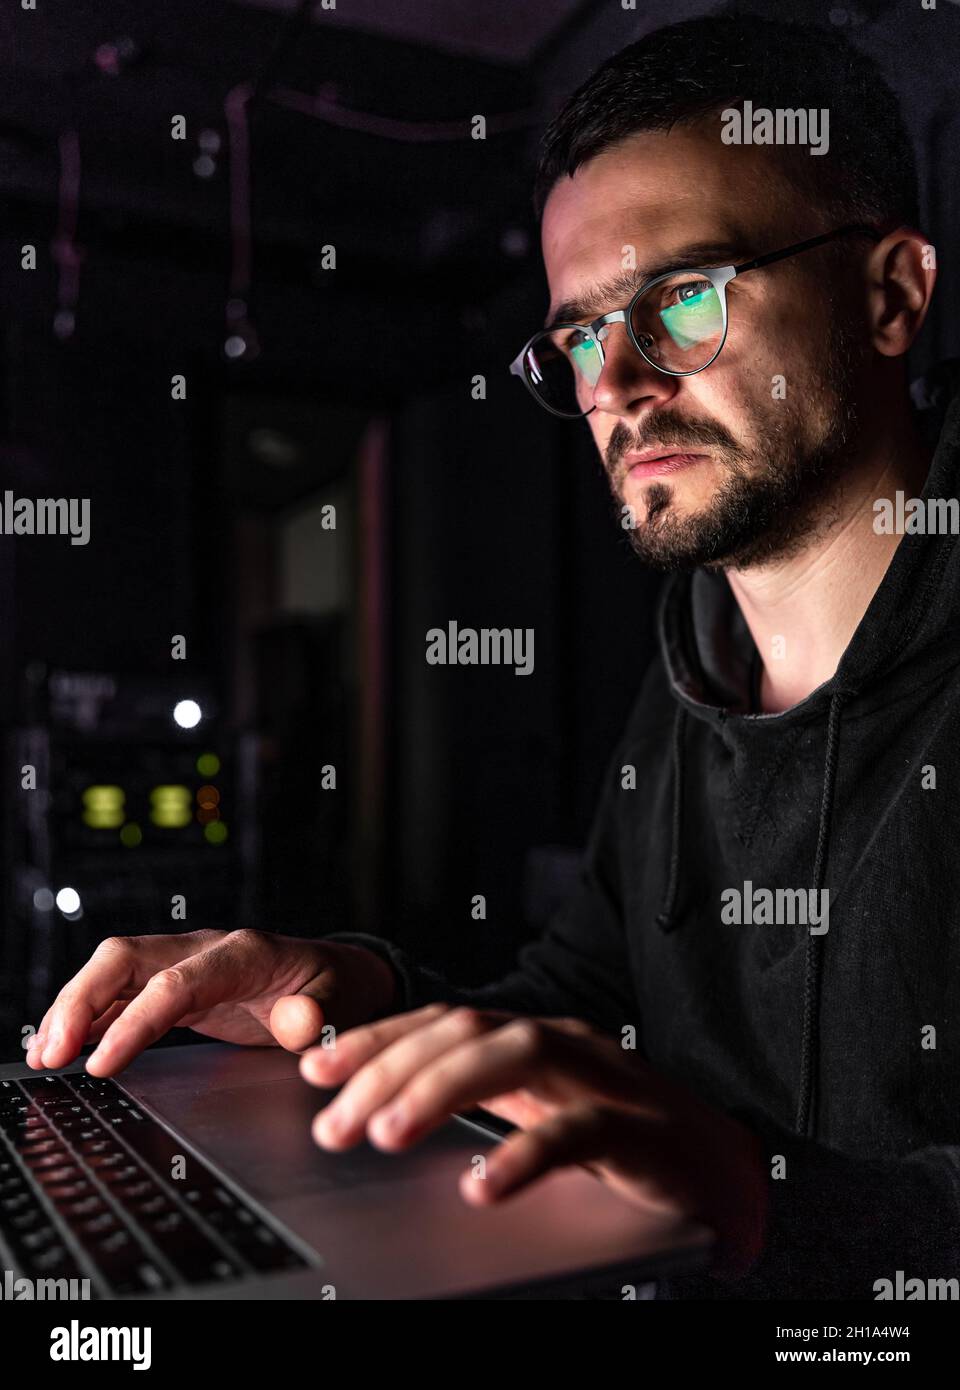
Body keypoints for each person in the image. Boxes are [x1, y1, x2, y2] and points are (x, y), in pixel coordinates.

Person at [26, 16, 960, 1298]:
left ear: (891, 294)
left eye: (683, 298)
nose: (618, 381)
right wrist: (344, 988)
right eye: (581, 335)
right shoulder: (690, 660)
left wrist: (758, 1196)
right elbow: (584, 993)